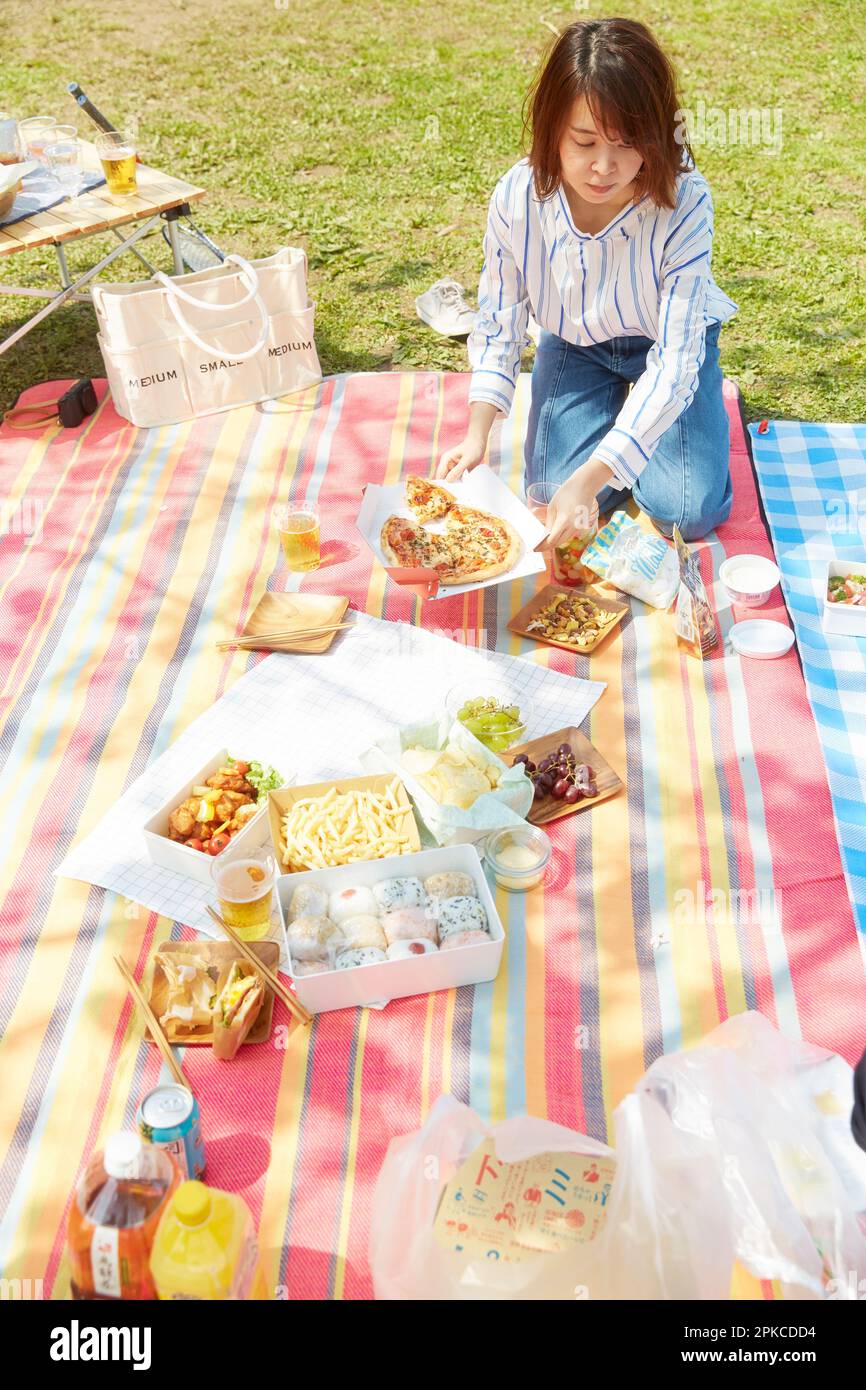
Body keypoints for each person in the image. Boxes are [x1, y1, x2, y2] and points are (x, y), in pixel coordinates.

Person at [435, 17, 737, 547]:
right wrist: (477, 433)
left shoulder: (686, 202)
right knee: (552, 492)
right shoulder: (517, 197)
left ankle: (650, 422)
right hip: (575, 344)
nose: (603, 167)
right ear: (552, 129)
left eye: (626, 144)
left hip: (663, 347)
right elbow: (499, 318)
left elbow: (673, 362)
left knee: (684, 512)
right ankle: (631, 428)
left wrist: (594, 475)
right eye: (584, 142)